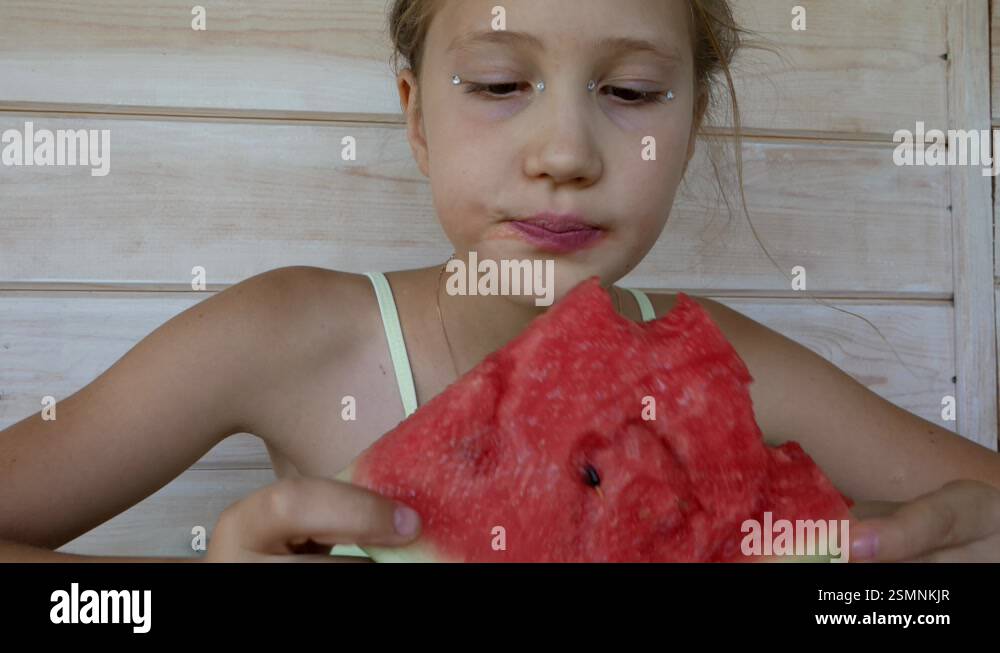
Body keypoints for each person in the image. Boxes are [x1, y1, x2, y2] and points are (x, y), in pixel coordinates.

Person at [2, 0, 998, 563]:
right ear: (415, 116)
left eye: (631, 93)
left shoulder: (721, 363)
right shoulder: (287, 331)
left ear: (690, 125)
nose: (564, 149)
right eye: (496, 84)